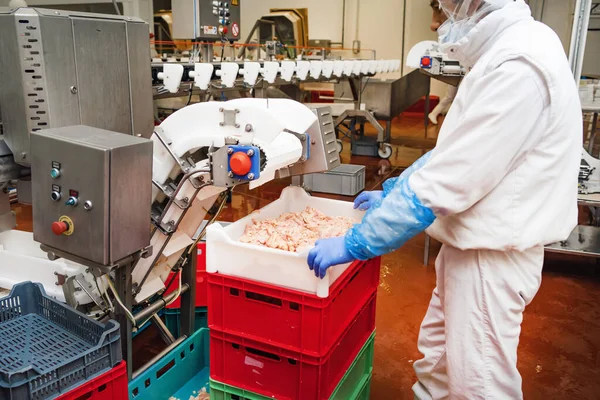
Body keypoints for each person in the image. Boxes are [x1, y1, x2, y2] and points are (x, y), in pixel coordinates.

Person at [307, 0, 582, 398]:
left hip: (491, 258)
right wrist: (392, 191)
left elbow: (451, 179)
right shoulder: (505, 52)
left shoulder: (518, 66)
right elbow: (454, 152)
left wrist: (357, 241)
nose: (436, 23)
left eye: (442, 8)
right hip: (469, 244)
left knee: (480, 383)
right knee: (437, 358)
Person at [428, 0, 459, 125]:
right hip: (455, 67)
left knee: (452, 96)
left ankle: (435, 113)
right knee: (451, 96)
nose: (433, 25)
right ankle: (434, 113)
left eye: (439, 8)